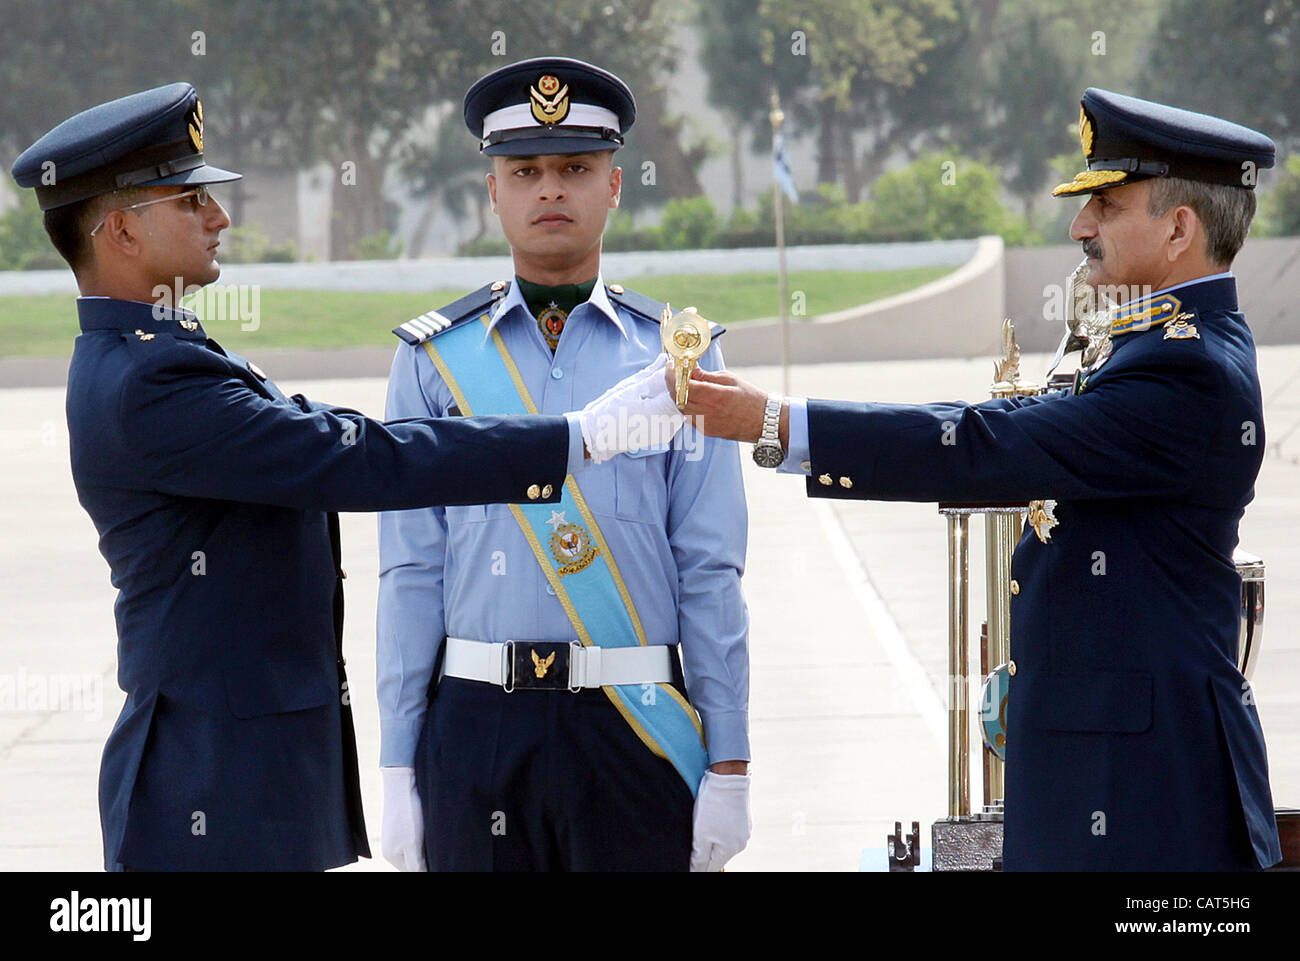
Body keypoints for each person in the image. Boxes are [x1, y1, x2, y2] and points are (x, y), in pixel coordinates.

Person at [9, 81, 673, 871]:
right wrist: (575, 439)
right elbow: (355, 460)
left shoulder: (160, 354)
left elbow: (334, 436)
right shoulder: (152, 381)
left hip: (238, 778)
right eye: (191, 202)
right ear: (120, 229)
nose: (220, 218)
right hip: (212, 790)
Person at [674, 88, 1283, 871]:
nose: (1080, 227)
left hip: (1145, 791)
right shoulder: (1158, 345)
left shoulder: (1186, 368)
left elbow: (987, 443)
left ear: (1178, 228)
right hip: (1107, 769)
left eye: (1106, 203)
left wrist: (780, 425)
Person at [376, 57, 752, 872]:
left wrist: (730, 761)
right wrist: (397, 763)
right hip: (476, 729)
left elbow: (710, 567)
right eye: (527, 171)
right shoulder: (432, 361)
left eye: (576, 168)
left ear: (614, 186)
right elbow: (410, 571)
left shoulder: (679, 354)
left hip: (636, 725)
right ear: (494, 192)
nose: (551, 189)